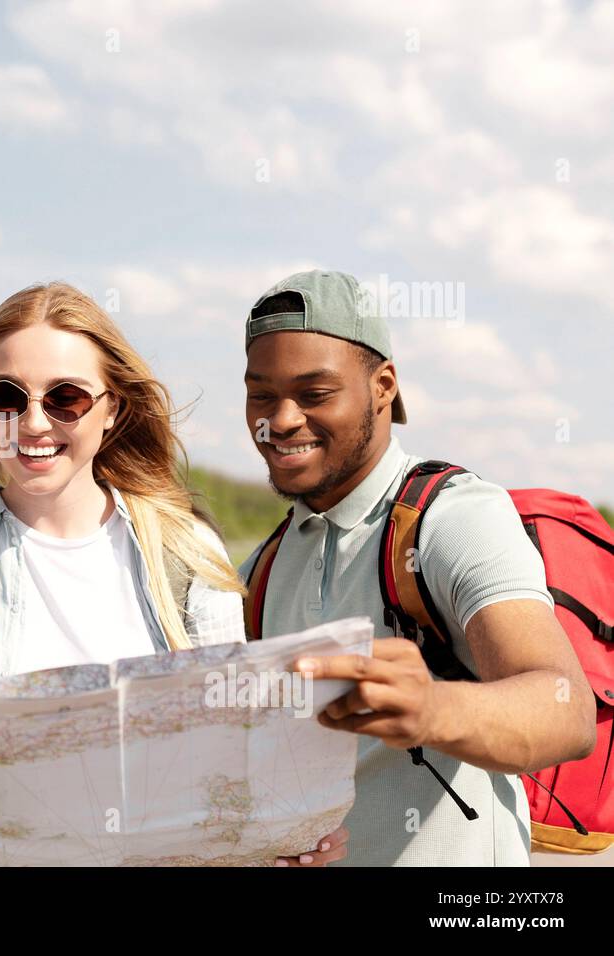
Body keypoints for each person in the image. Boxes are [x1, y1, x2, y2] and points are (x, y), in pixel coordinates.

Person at [0, 282, 345, 865]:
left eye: (66, 398)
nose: (33, 424)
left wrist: (286, 832)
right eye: (7, 397)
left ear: (111, 409)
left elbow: (234, 742)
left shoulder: (187, 550)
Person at [238, 269, 595, 866]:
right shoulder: (261, 569)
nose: (282, 419)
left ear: (382, 386)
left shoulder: (454, 517)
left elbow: (567, 711)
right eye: (261, 394)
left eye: (315, 393)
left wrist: (431, 708)